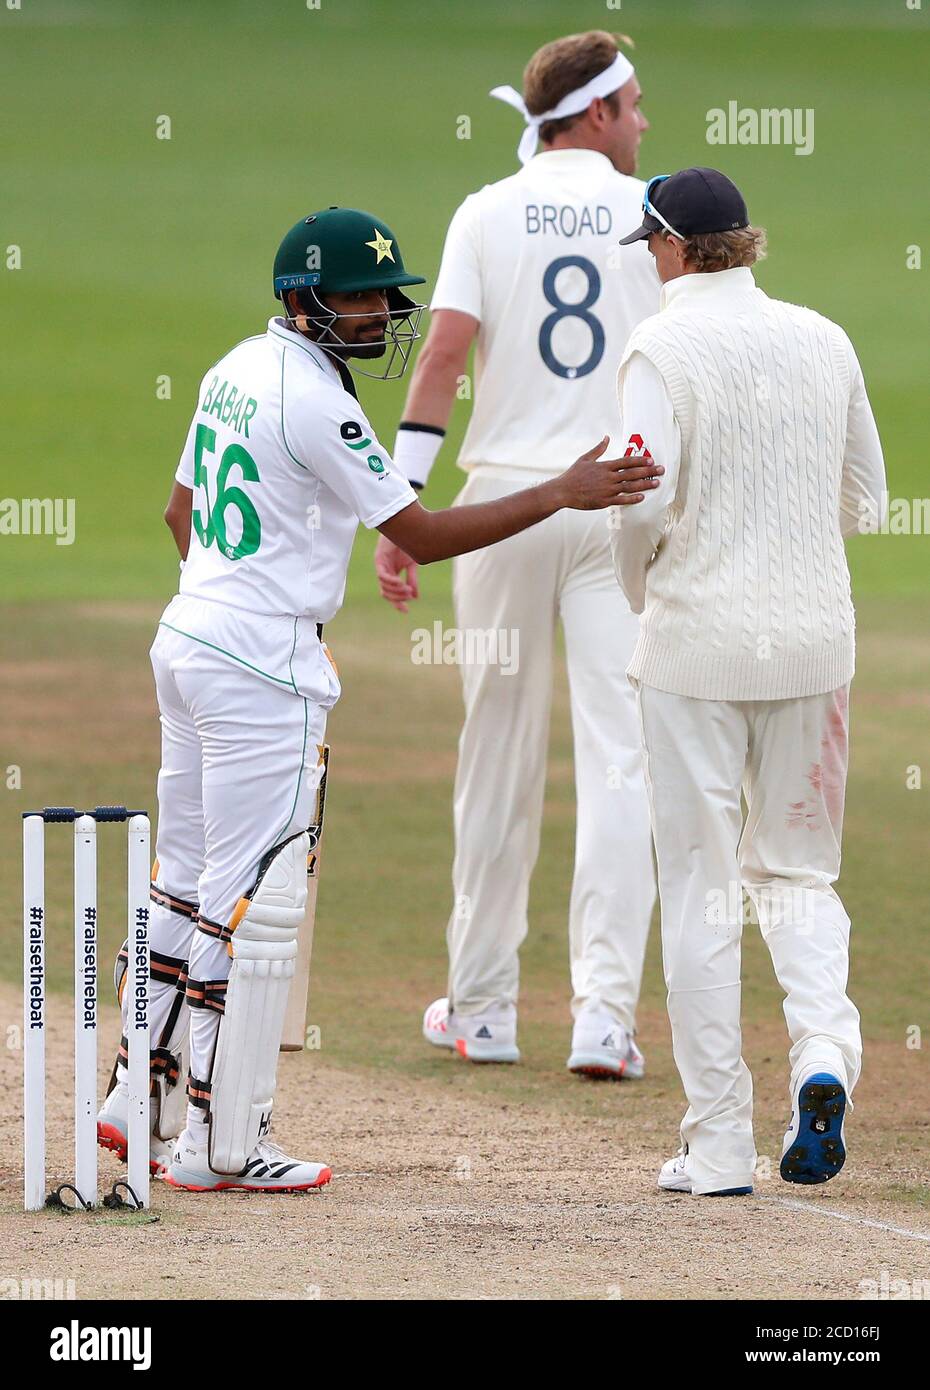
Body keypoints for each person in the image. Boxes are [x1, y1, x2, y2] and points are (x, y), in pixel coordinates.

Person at [94, 206, 662, 1194]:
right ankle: (218, 1142)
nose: (379, 315)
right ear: (300, 298)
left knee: (183, 889)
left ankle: (130, 1099)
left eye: (385, 297)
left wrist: (232, 601)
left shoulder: (232, 366)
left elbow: (178, 511)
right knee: (249, 906)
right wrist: (561, 491)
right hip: (263, 668)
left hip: (185, 639)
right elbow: (425, 532)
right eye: (358, 297)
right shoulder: (321, 402)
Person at [375, 30, 660, 1077]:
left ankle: (485, 1011)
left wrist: (403, 509)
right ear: (591, 114)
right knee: (622, 759)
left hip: (501, 510)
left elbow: (442, 359)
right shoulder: (654, 211)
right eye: (631, 107)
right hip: (619, 506)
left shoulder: (485, 210)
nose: (641, 124)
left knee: (494, 755)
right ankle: (604, 1019)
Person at [610, 167, 885, 1195]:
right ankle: (822, 1058)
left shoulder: (660, 347)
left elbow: (637, 502)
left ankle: (718, 1141)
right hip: (818, 644)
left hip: (694, 648)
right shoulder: (825, 336)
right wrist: (794, 549)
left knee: (698, 881)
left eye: (650, 245)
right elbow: (869, 496)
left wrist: (646, 591)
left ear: (674, 249)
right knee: (799, 874)